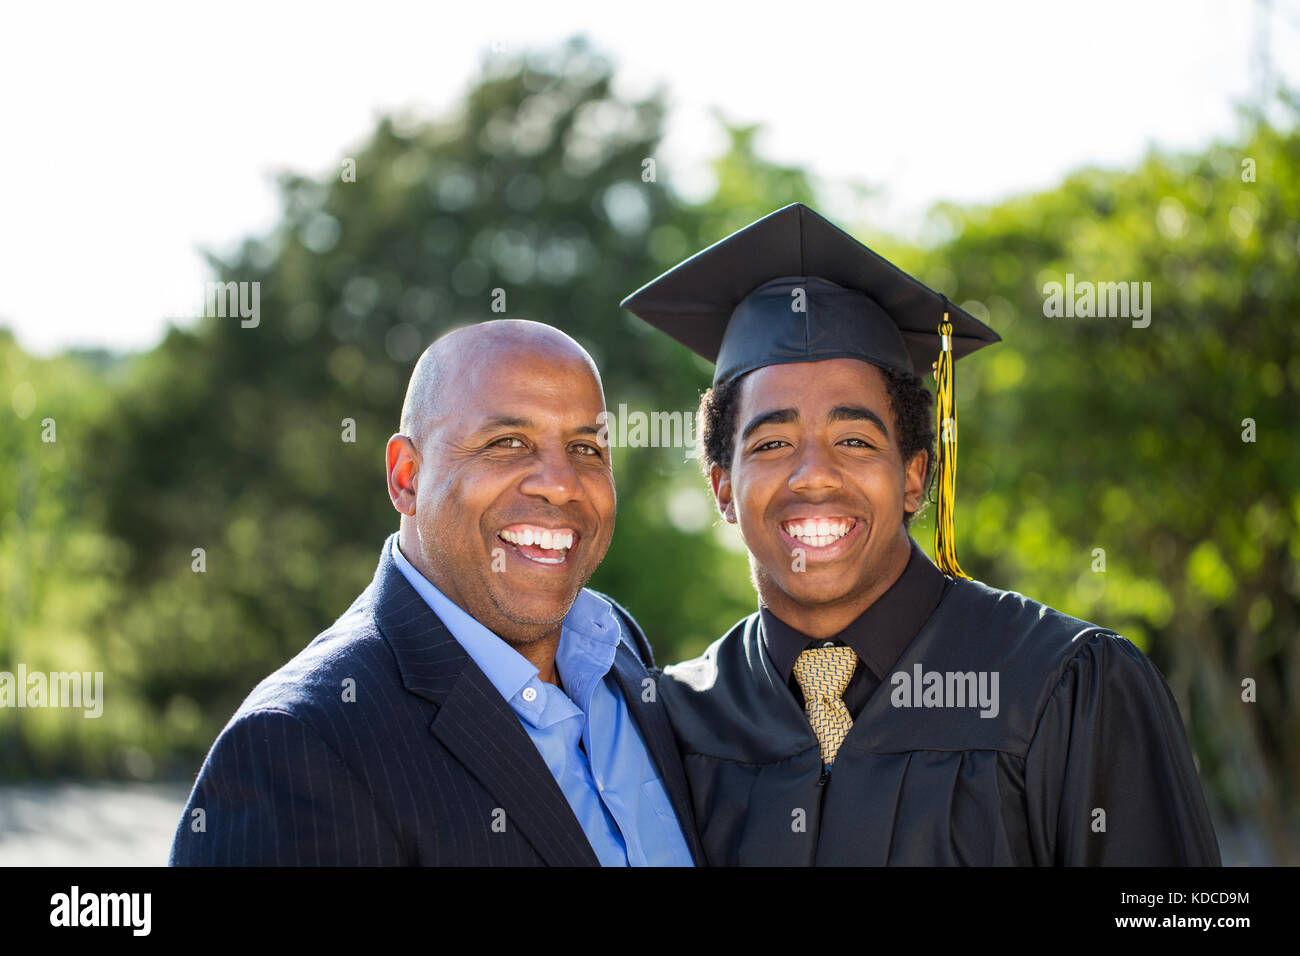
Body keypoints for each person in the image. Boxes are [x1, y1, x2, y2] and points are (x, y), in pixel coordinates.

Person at [620, 202, 1220, 866]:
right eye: (772, 443)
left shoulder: (1066, 686)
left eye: (854, 440)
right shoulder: (674, 720)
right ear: (723, 488)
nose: (814, 477)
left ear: (914, 477)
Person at [169, 319, 702, 866]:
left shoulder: (615, 647)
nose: (561, 483)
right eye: (508, 442)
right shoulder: (299, 747)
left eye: (586, 448)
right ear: (406, 478)